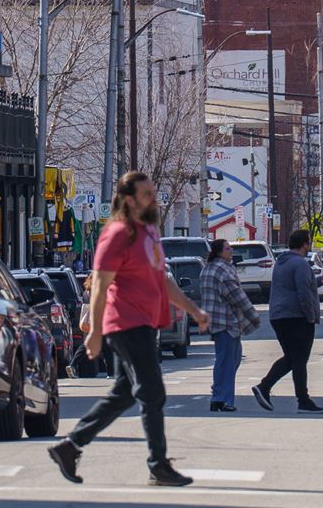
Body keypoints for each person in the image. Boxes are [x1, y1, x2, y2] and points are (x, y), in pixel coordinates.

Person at [48, 171, 211, 488]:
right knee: (153, 392)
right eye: (147, 193)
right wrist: (94, 331)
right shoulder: (117, 234)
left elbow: (163, 280)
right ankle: (158, 465)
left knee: (124, 393)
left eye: (153, 192)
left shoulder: (148, 231)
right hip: (125, 322)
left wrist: (193, 310)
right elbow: (99, 286)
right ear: (128, 199)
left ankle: (70, 446)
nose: (153, 198)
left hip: (146, 323)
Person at [251, 229, 323, 414]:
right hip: (296, 316)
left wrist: (320, 281)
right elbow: (303, 293)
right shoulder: (300, 264)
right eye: (308, 242)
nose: (309, 246)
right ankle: (301, 400)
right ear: (304, 244)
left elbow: (296, 286)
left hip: (279, 315)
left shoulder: (282, 263)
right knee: (299, 359)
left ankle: (266, 387)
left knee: (292, 358)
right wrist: (311, 316)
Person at [199, 239, 260, 412]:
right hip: (227, 321)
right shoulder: (223, 270)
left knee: (230, 359)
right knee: (226, 361)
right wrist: (253, 315)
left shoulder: (207, 269)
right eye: (227, 249)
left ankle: (219, 394)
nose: (231, 251)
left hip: (215, 320)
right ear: (219, 252)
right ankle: (222, 399)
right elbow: (236, 296)